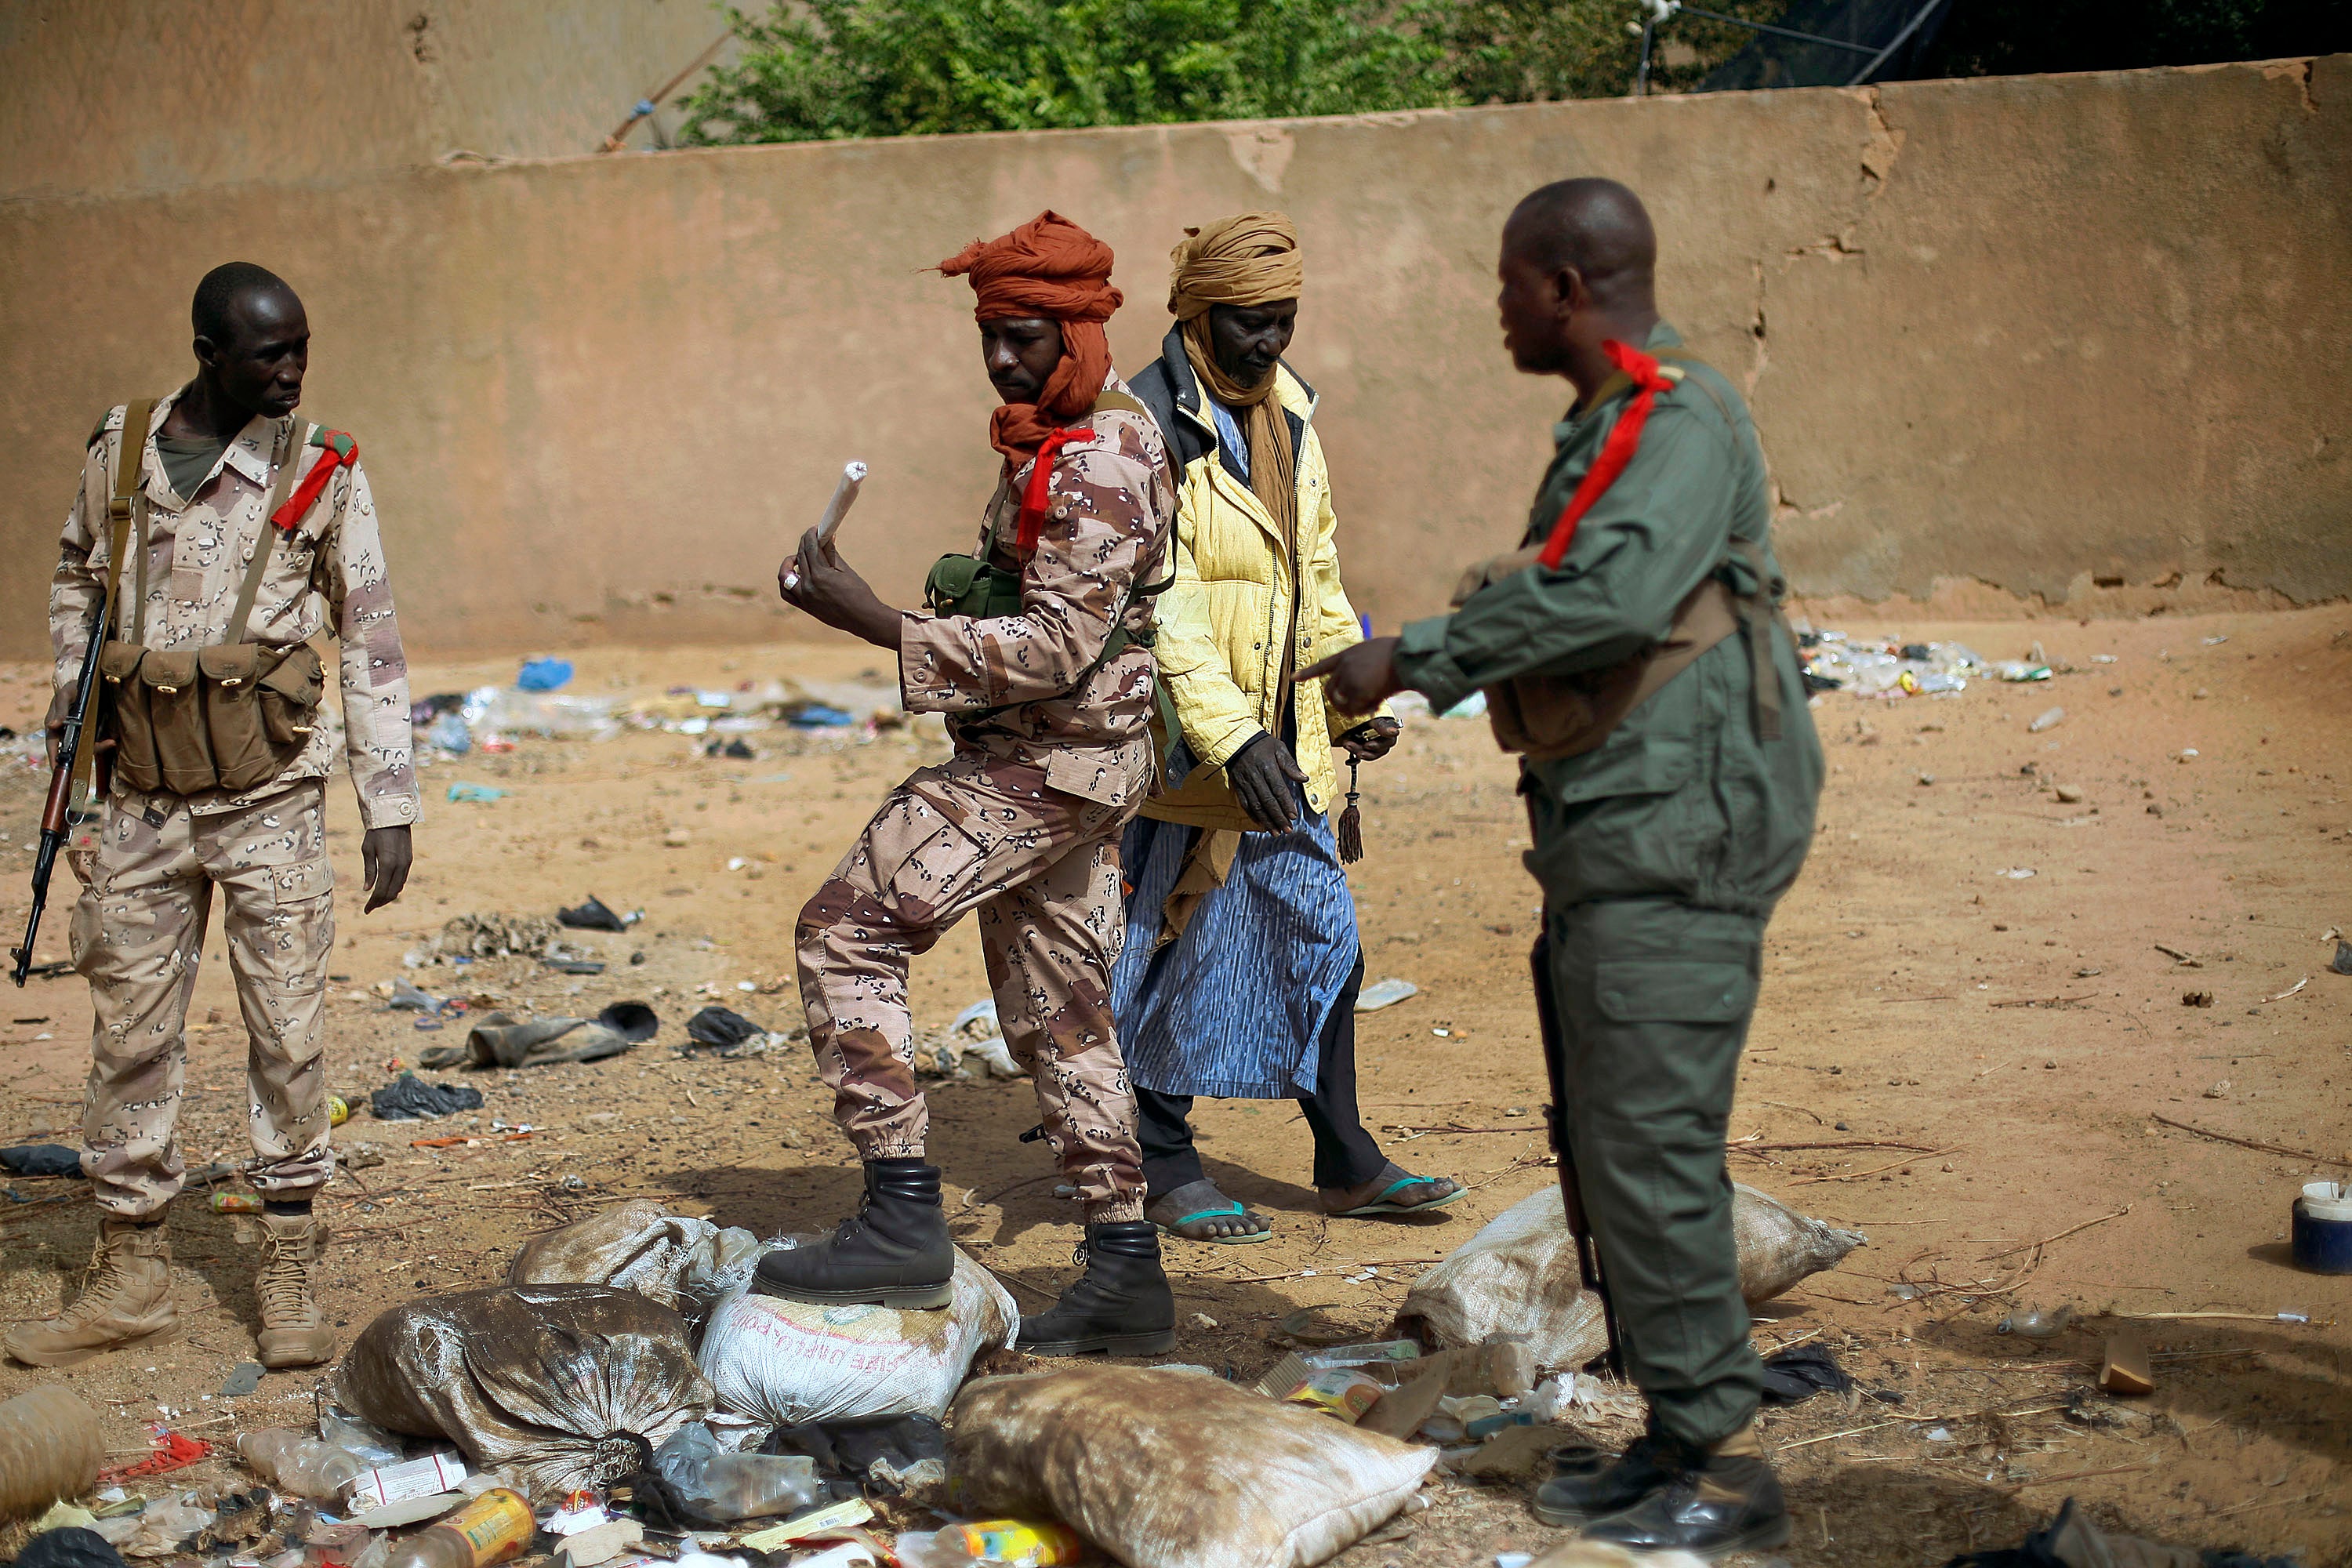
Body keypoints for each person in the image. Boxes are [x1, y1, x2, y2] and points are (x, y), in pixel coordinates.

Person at [1301, 179, 1824, 1555]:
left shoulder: (1677, 415)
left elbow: (1617, 595)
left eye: (1507, 285)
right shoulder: (1616, 423)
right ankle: (1677, 1436)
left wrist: (1413, 656)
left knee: (1648, 1137)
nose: (1498, 310)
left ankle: (1715, 1462)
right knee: (1611, 1135)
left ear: (1565, 289)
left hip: (1682, 831)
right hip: (1625, 824)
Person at [763, 211, 1181, 1357]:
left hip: (1043, 766)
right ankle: (1125, 1272)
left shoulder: (1100, 457)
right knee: (1063, 1013)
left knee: (845, 931)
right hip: (1068, 762)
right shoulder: (1062, 443)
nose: (1005, 360)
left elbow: (1053, 647)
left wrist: (877, 622)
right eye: (993, 336)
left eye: (1029, 337)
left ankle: (901, 1211)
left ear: (1085, 332)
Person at [8, 263, 419, 1371]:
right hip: (142, 798)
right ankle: (130, 1265)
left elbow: (370, 631)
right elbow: (76, 580)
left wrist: (390, 803)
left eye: (301, 350)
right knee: (129, 1035)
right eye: (267, 355)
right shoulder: (127, 445)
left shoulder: (323, 466)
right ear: (209, 353)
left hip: (270, 798)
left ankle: (288, 1263)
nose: (291, 371)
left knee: (286, 1035)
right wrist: (71, 721)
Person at [1116, 212, 1461, 1243]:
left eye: (1285, 322)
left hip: (1281, 742)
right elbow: (1159, 603)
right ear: (1197, 314)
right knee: (1172, 942)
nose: (1271, 344)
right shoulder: (1143, 425)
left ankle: (1344, 1158)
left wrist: (1341, 703)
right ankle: (1160, 1158)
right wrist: (1231, 737)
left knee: (1327, 941)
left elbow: (1314, 570)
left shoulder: (1291, 416)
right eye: (1251, 325)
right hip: (1187, 747)